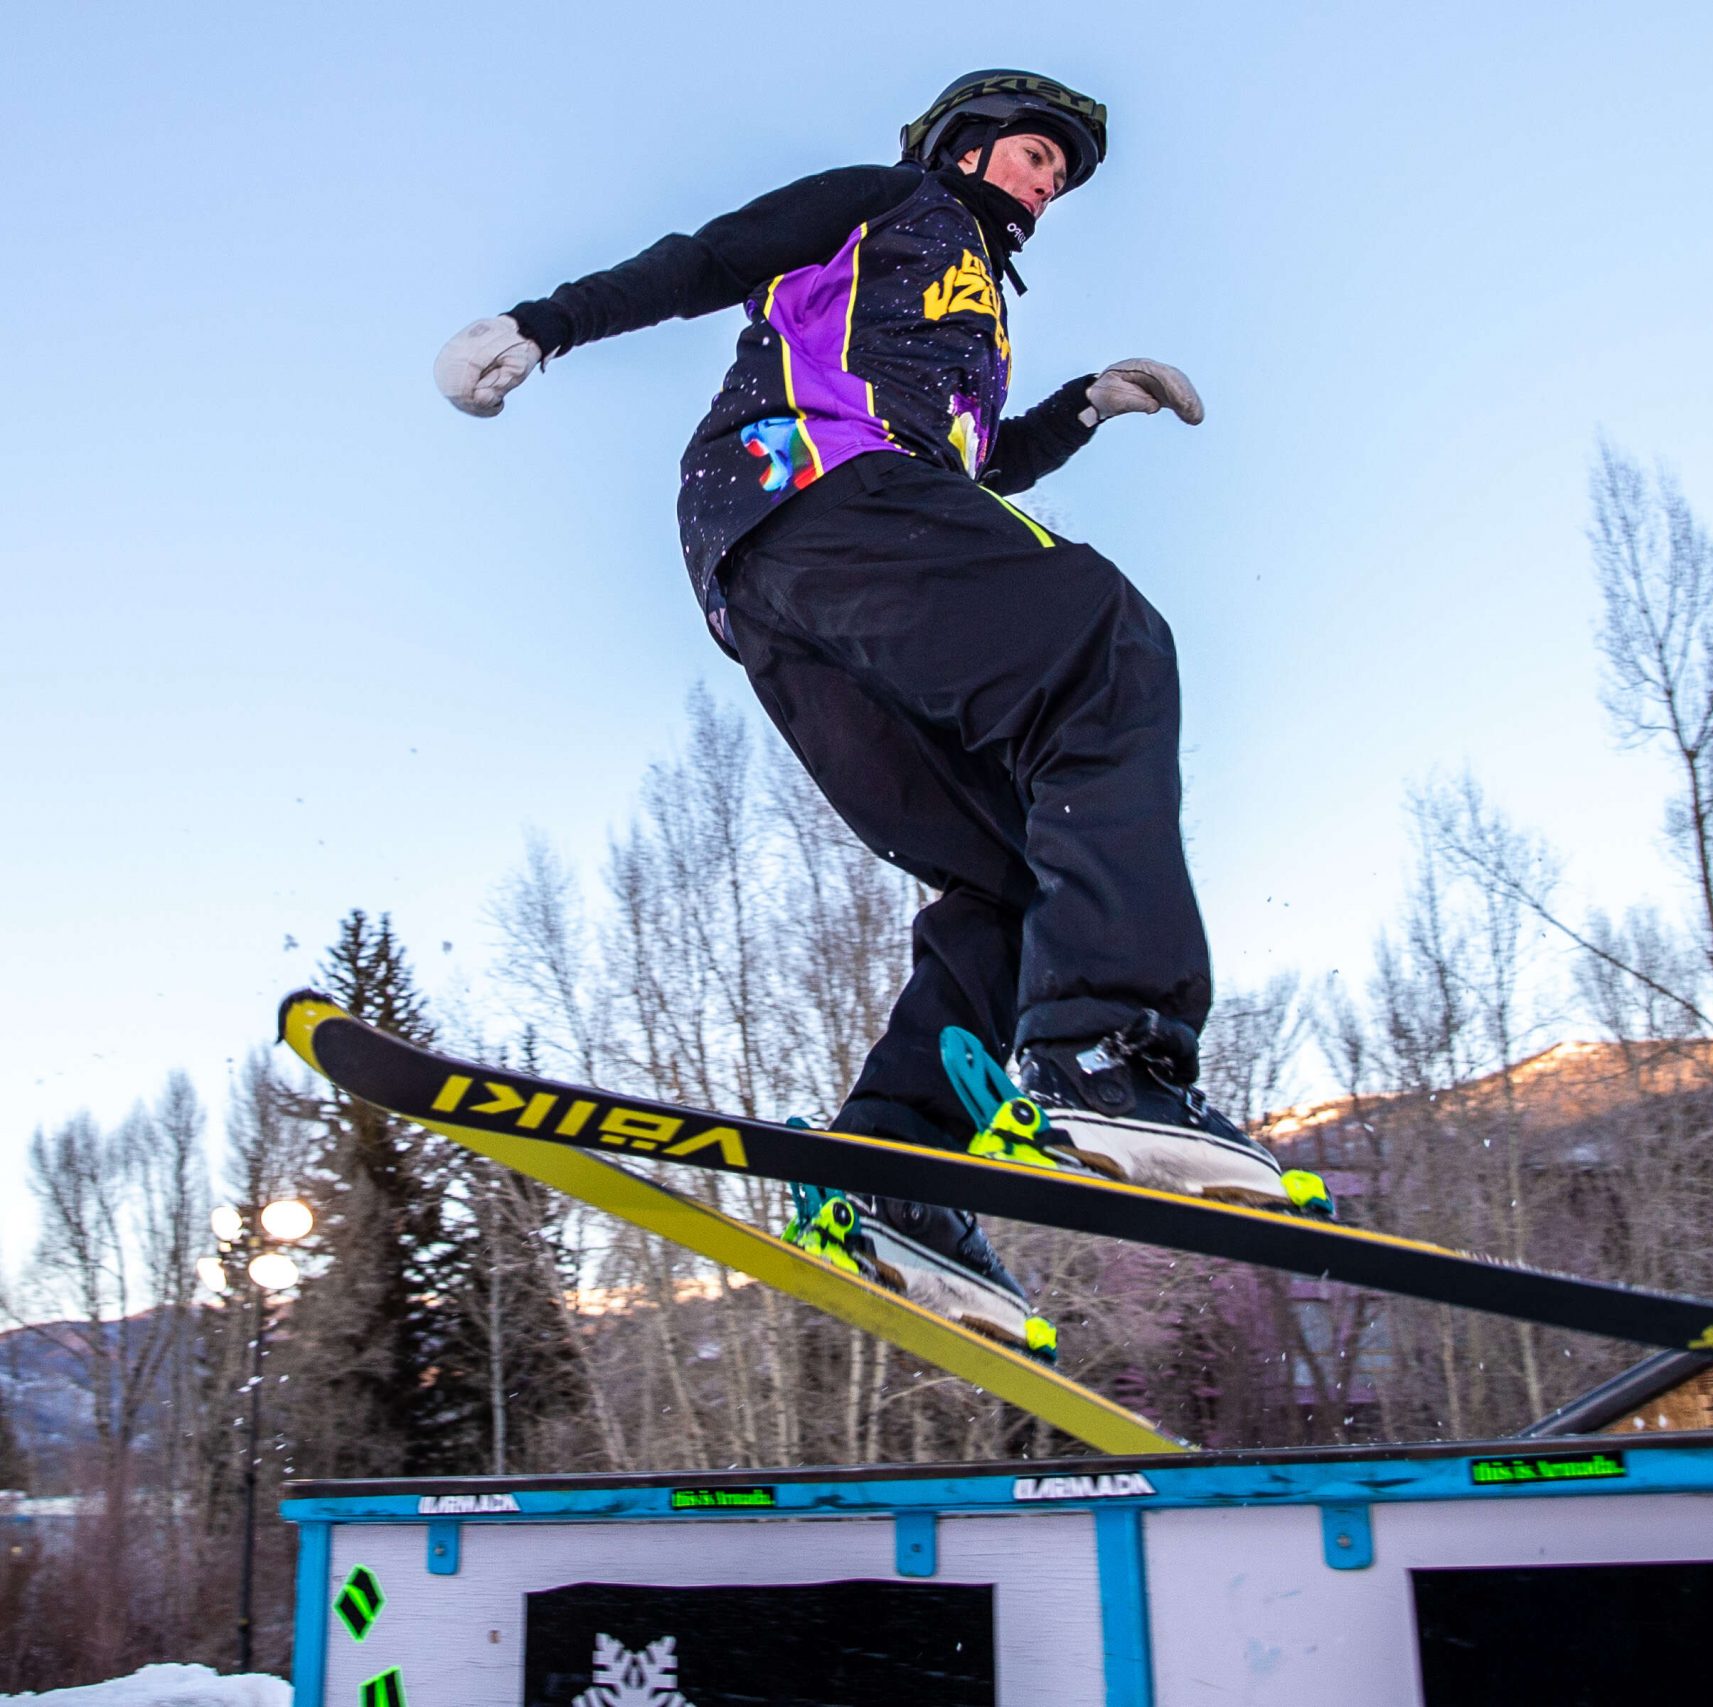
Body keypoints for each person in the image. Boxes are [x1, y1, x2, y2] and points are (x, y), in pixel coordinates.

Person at [433, 71, 1324, 1359]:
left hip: (784, 570)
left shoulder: (977, 322)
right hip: (813, 482)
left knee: (1012, 873)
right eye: (1032, 157)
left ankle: (893, 1174)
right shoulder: (887, 203)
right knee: (1106, 646)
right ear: (963, 147)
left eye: (1058, 177)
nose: (1045, 185)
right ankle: (1107, 1049)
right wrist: (543, 324)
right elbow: (712, 255)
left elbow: (971, 466)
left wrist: (1085, 406)